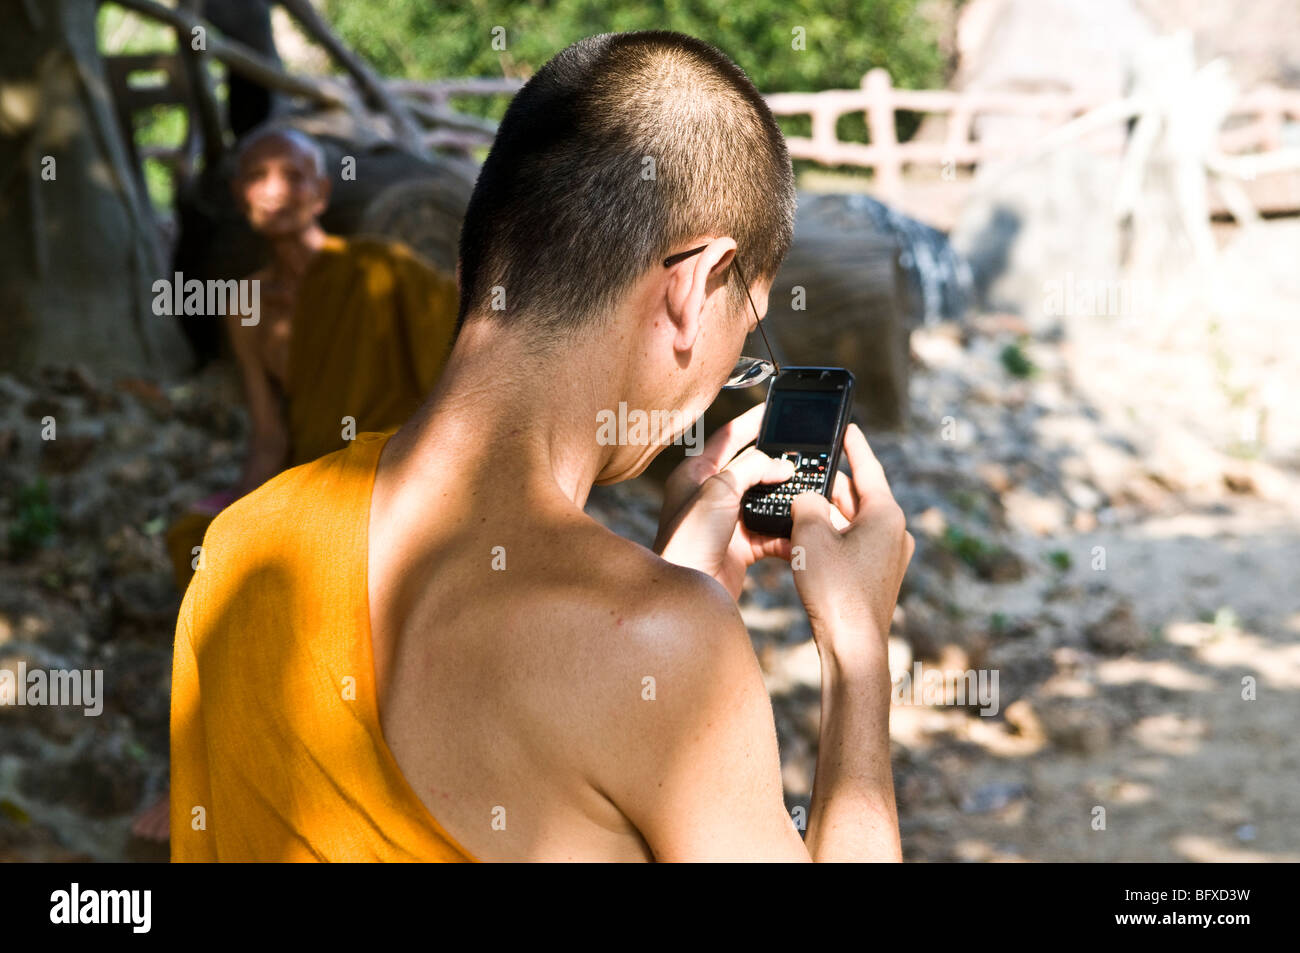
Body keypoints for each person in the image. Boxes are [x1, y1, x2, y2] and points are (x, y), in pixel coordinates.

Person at [169, 31, 913, 862]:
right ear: (694, 288)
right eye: (746, 340)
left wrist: (680, 588)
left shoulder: (236, 550)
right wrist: (858, 654)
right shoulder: (667, 642)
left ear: (474, 255)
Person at [133, 127, 459, 841]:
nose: (276, 188)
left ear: (321, 190)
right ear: (241, 196)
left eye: (293, 173)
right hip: (310, 480)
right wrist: (226, 516)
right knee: (212, 550)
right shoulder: (248, 303)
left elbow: (451, 379)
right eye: (258, 175)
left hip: (398, 476)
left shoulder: (382, 270)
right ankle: (211, 777)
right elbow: (269, 439)